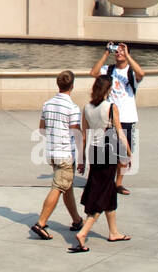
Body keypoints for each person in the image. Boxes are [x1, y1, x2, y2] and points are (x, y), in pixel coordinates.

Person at [69, 76, 132, 251]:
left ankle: (114, 232)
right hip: (108, 150)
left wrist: (81, 160)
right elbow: (119, 133)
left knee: (108, 190)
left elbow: (82, 136)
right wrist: (129, 153)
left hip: (93, 150)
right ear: (108, 90)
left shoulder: (86, 108)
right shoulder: (111, 107)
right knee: (103, 192)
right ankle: (84, 232)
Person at [31, 71, 84, 240]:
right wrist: (82, 157)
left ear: (58, 84)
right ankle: (41, 222)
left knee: (66, 186)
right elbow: (76, 133)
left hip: (52, 152)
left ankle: (76, 220)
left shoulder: (47, 104)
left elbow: (41, 128)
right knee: (59, 187)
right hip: (65, 154)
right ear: (72, 86)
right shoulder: (73, 108)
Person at [90, 42, 144, 195]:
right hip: (109, 117)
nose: (118, 53)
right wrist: (106, 53)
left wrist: (128, 55)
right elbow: (93, 73)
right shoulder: (109, 70)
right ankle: (104, 180)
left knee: (124, 154)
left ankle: (118, 183)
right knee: (106, 152)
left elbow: (141, 74)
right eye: (117, 51)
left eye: (122, 51)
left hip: (127, 117)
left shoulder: (130, 72)